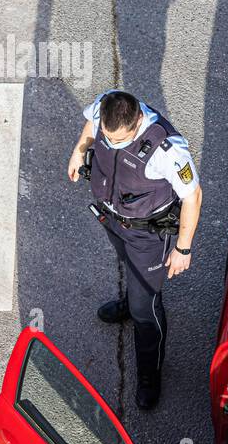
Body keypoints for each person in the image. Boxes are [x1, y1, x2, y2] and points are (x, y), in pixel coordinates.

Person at [67, 90, 202, 409]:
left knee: (147, 308)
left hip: (148, 235)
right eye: (108, 138)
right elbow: (91, 122)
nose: (112, 144)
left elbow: (193, 197)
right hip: (114, 219)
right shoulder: (108, 106)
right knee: (128, 268)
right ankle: (131, 303)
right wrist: (79, 150)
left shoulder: (167, 150)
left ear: (138, 119)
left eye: (120, 140)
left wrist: (183, 248)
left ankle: (149, 374)